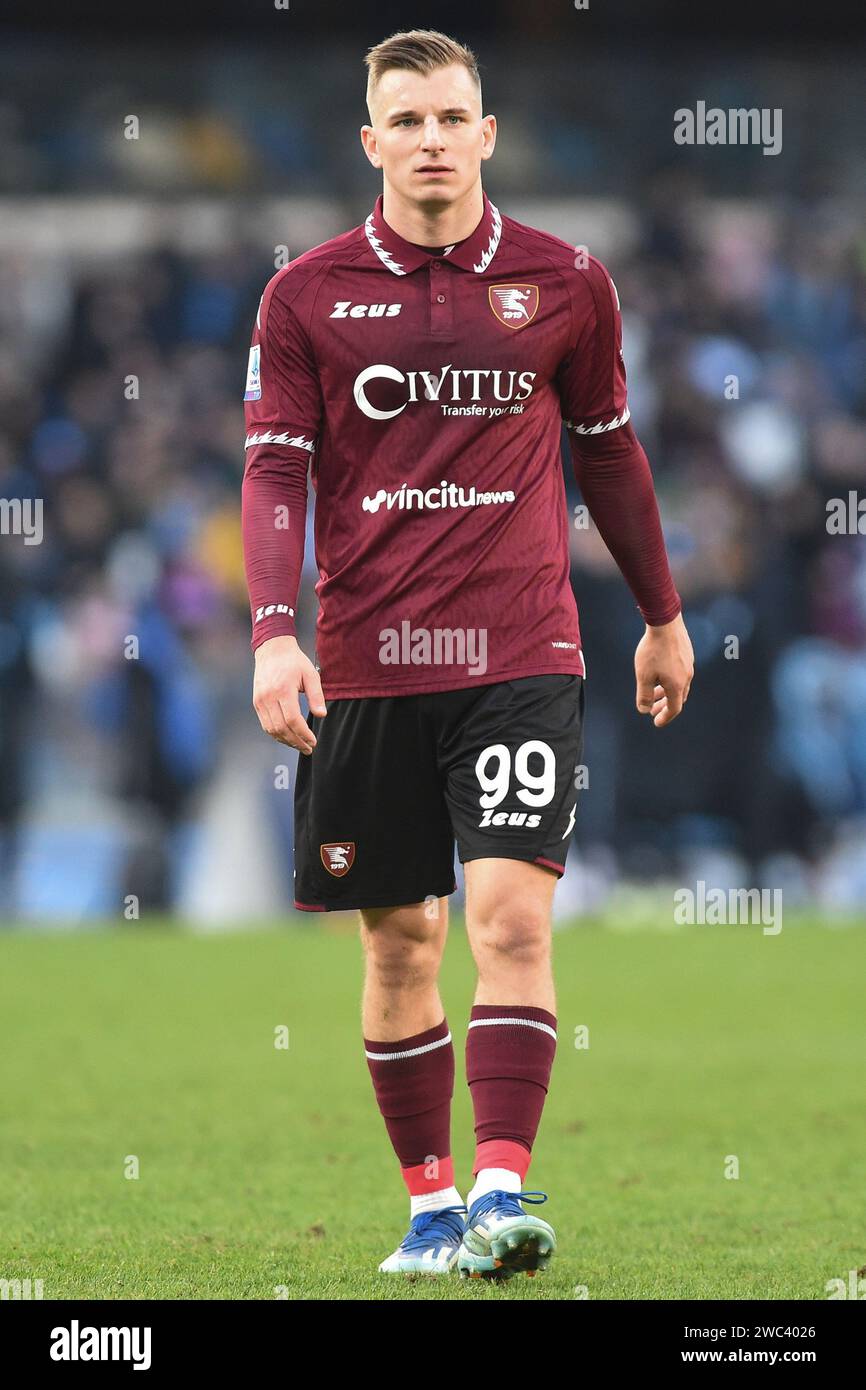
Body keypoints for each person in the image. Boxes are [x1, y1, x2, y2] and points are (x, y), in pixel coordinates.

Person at [241, 27, 694, 1280]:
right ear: (371, 140)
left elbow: (609, 451)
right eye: (410, 121)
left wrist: (661, 614)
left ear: (486, 135)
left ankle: (500, 1185)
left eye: (454, 119)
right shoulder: (304, 297)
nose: (432, 141)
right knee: (399, 940)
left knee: (506, 918)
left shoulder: (564, 282)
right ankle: (430, 1206)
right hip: (368, 660)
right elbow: (275, 472)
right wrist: (275, 633)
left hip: (520, 649)